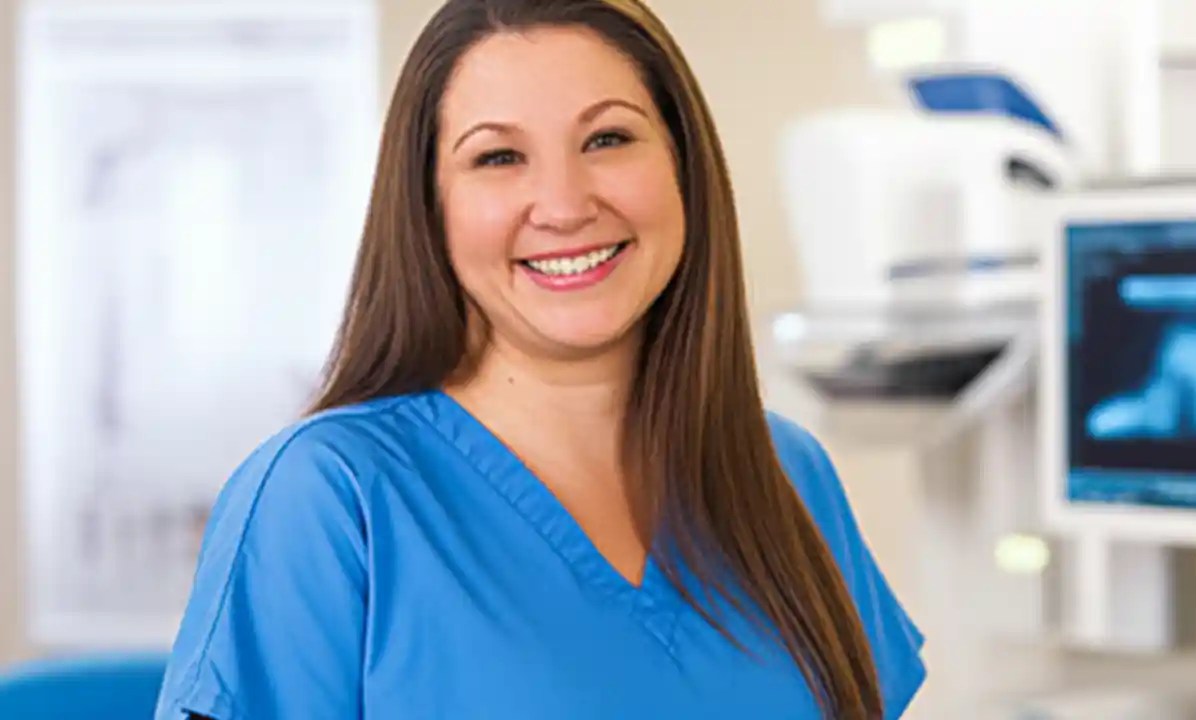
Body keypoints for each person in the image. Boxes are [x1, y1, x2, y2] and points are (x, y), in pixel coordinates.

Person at [153, 0, 925, 718]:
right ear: (430, 206)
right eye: (498, 158)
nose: (563, 204)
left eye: (607, 139)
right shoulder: (328, 497)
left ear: (683, 166)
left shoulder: (786, 473)